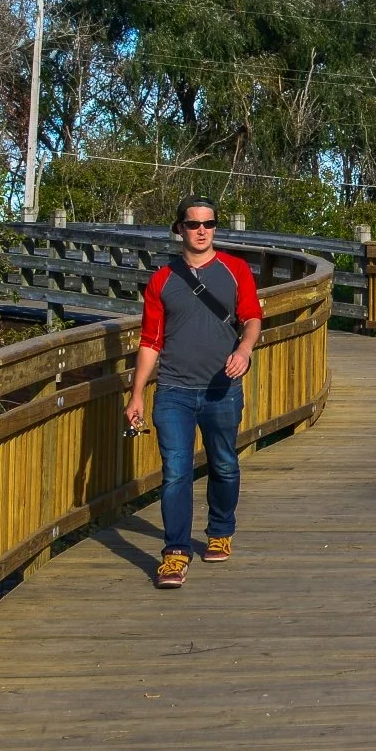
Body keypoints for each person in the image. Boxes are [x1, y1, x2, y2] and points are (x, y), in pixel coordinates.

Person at [125, 198, 262, 588]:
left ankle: (220, 529)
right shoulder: (162, 280)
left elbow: (251, 318)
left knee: (223, 464)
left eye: (208, 224)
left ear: (215, 228)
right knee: (175, 473)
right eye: (193, 224)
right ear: (179, 229)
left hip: (222, 389)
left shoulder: (235, 271)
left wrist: (244, 350)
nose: (201, 231)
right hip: (172, 390)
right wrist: (136, 393)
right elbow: (150, 340)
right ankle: (175, 553)